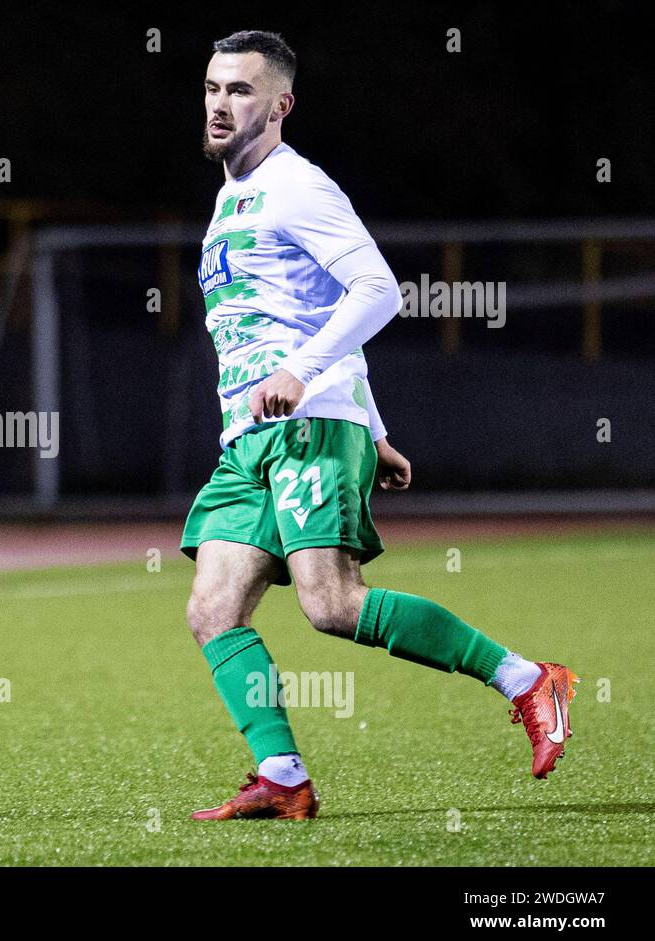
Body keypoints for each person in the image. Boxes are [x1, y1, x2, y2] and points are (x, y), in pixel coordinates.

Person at [181, 31, 578, 821]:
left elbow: (375, 290)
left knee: (332, 606)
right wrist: (376, 424)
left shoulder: (299, 187)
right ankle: (283, 775)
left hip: (305, 430)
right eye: (213, 88)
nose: (222, 105)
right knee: (212, 611)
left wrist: (307, 381)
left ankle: (529, 679)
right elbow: (312, 308)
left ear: (280, 105)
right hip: (251, 439)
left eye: (242, 91)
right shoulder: (231, 197)